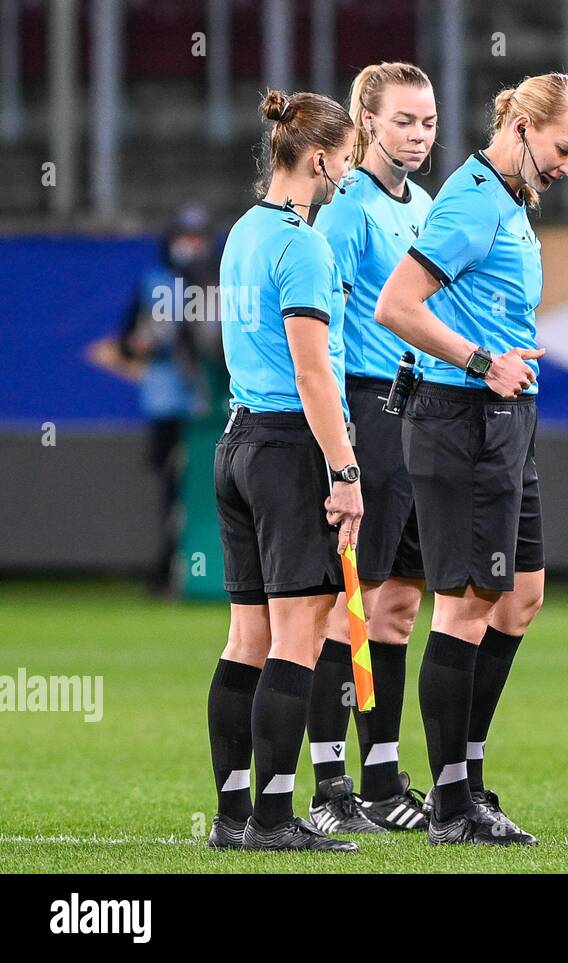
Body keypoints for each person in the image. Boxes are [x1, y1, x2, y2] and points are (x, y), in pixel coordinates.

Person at [375, 73, 568, 846]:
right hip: (461, 418)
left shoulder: (509, 201)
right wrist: (481, 362)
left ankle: (464, 779)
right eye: (565, 148)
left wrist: (505, 358)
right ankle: (452, 800)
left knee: (520, 597)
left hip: (504, 419)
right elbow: (396, 305)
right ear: (526, 127)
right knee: (465, 606)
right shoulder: (472, 200)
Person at [205, 88, 362, 852]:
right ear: (323, 157)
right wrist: (345, 467)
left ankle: (234, 815)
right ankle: (273, 818)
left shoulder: (242, 233)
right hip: (287, 448)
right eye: (348, 159)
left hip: (236, 443)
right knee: (298, 638)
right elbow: (312, 373)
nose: (348, 175)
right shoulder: (303, 245)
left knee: (246, 640)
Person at [304, 62, 438, 835]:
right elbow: (321, 333)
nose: (418, 135)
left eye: (426, 122)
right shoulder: (345, 211)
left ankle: (383, 778)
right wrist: (344, 444)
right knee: (341, 606)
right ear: (367, 123)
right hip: (369, 409)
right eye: (402, 122)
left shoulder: (423, 205)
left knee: (398, 604)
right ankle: (330, 784)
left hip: (421, 413)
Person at [85, 206, 218, 596]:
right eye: (185, 237)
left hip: (205, 403)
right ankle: (169, 569)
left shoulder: (215, 284)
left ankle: (198, 568)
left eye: (198, 238)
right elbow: (127, 339)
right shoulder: (154, 283)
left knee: (204, 487)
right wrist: (139, 345)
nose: (191, 246)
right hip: (166, 398)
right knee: (170, 487)